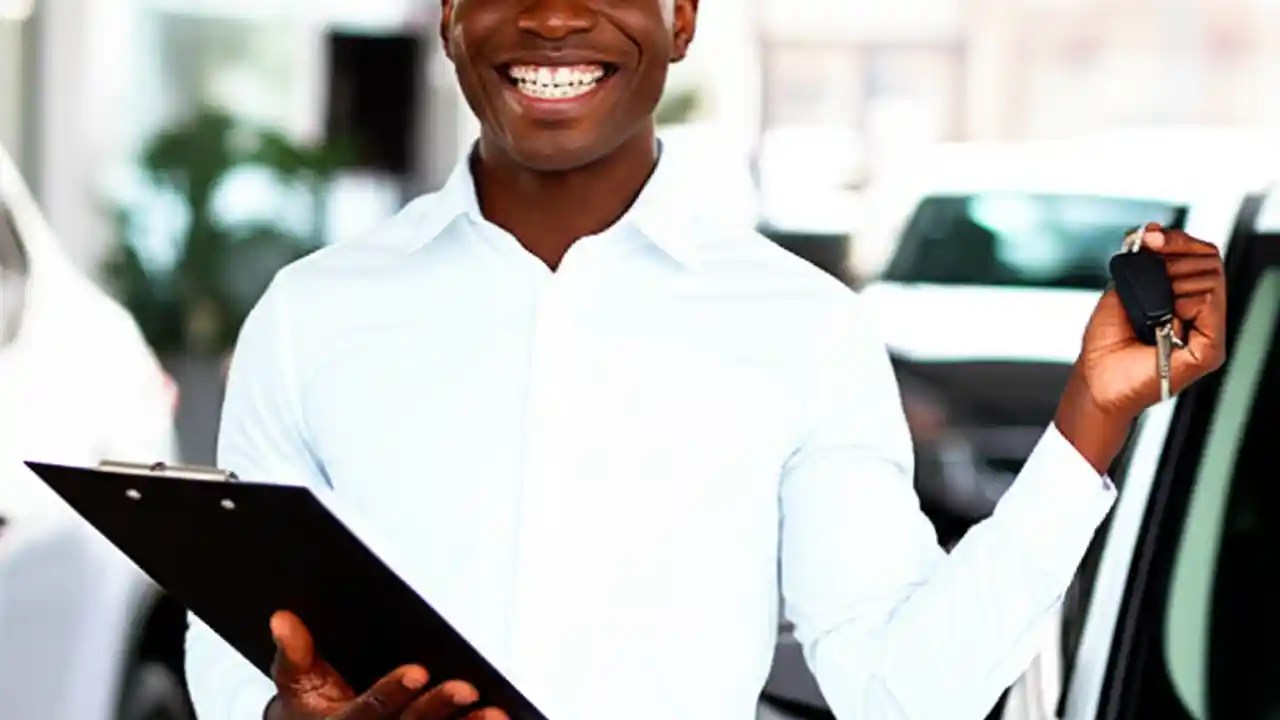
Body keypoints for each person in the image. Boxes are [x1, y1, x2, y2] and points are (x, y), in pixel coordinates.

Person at [183, 1, 1229, 719]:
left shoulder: (801, 329)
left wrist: (1088, 419)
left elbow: (898, 693)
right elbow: (236, 669)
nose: (552, 16)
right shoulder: (312, 315)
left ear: (680, 16)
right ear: (450, 14)